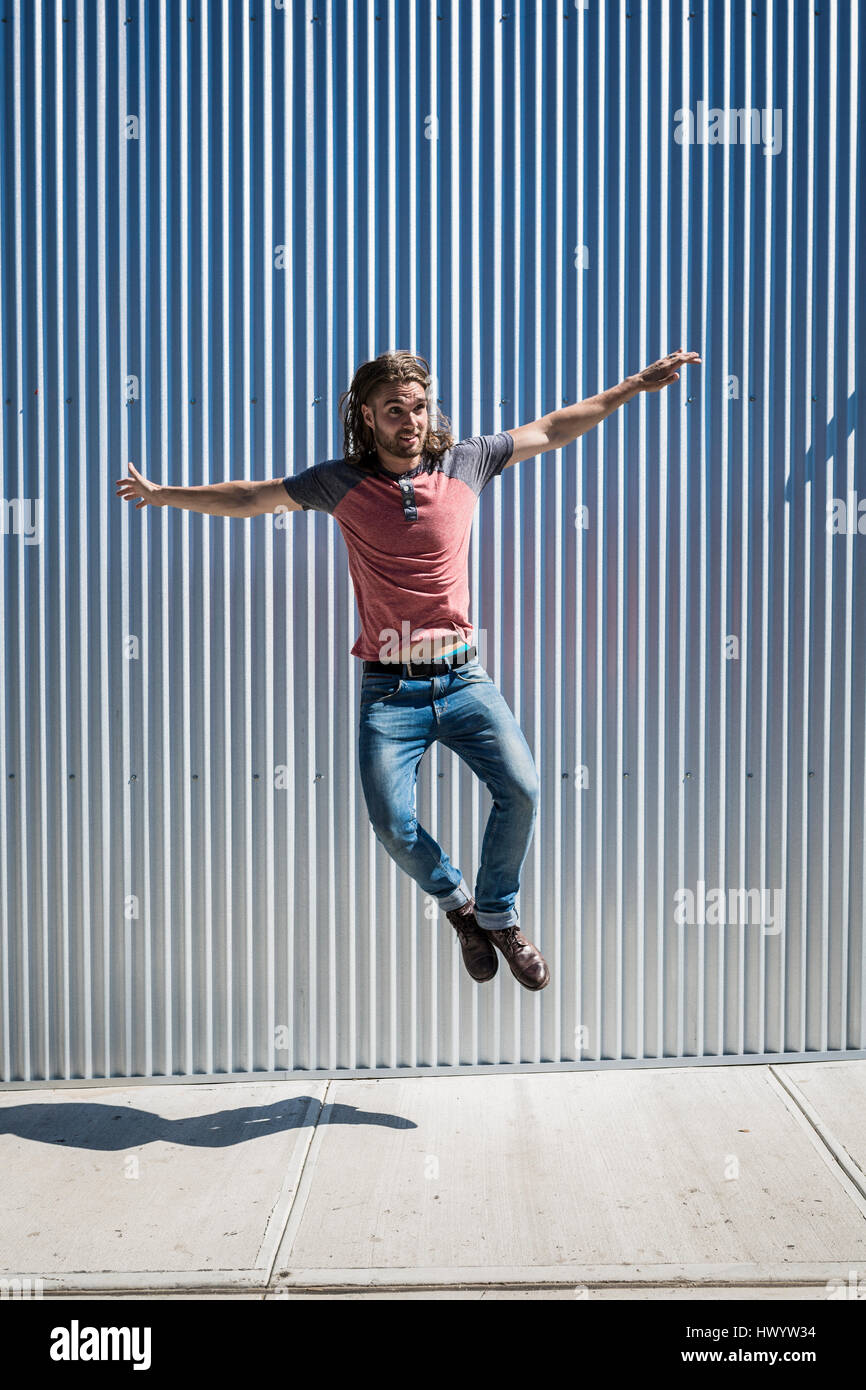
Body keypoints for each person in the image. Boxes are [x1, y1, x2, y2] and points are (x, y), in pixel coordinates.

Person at [116, 347, 700, 990]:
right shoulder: (337, 482)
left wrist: (631, 386)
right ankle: (462, 908)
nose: (411, 419)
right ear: (367, 417)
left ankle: (500, 914)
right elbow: (253, 496)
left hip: (465, 679)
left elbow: (553, 427)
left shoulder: (467, 462)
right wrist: (162, 494)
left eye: (418, 406)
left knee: (524, 789)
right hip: (388, 692)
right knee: (391, 824)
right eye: (394, 410)